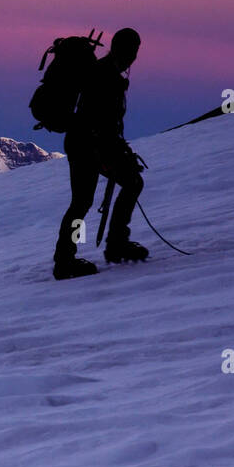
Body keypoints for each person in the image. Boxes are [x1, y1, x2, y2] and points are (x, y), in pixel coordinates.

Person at [53, 27, 148, 279]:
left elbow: (101, 122)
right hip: (88, 147)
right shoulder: (107, 76)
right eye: (132, 50)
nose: (134, 56)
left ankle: (99, 249)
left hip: (85, 145)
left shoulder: (105, 72)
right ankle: (69, 259)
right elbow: (99, 123)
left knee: (118, 187)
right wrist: (111, 154)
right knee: (85, 201)